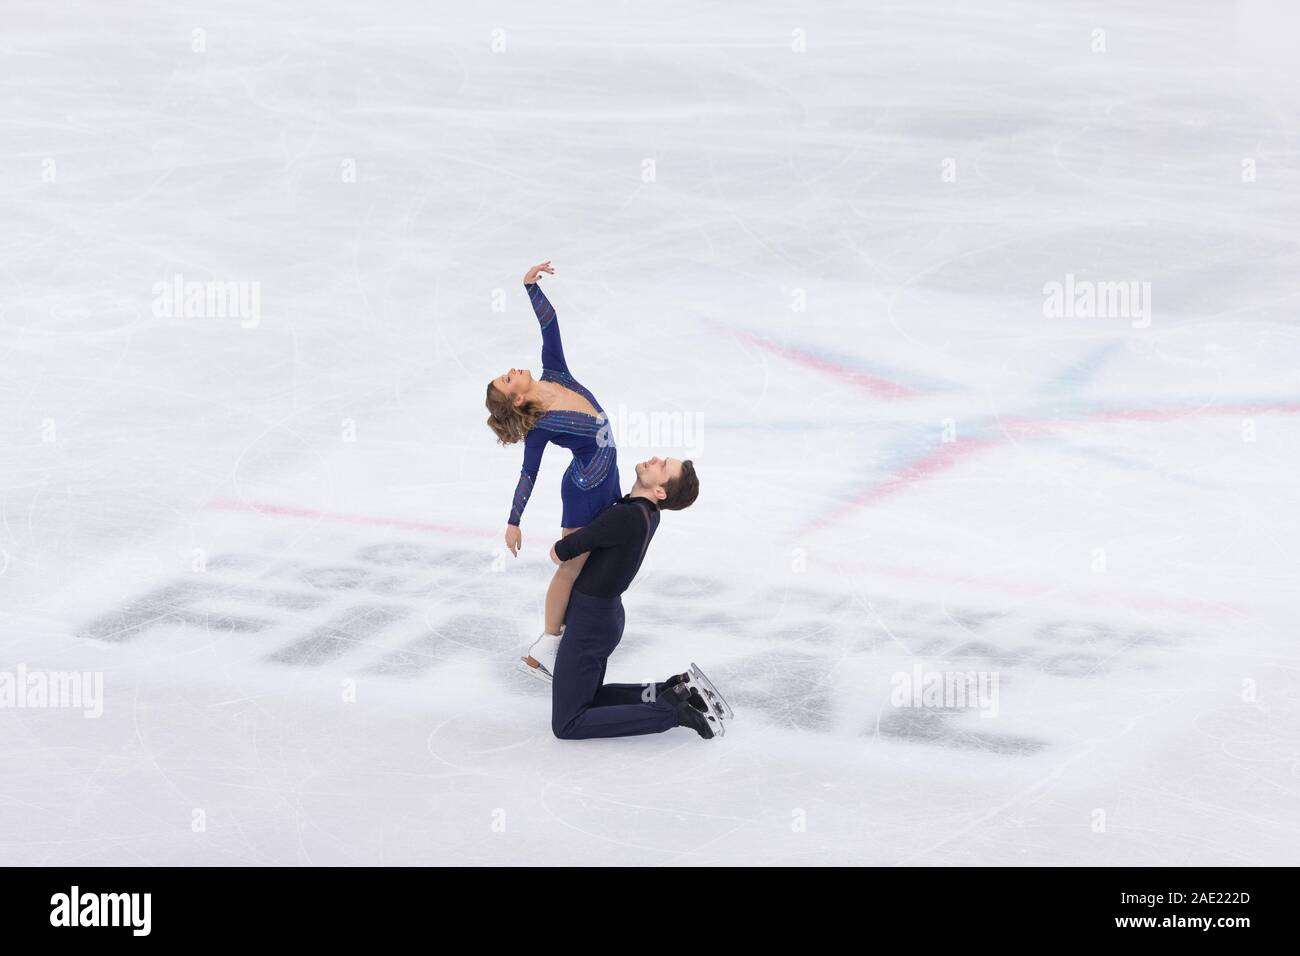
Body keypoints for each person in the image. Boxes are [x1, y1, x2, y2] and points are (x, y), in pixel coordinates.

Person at [485, 261, 622, 678]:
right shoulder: (540, 428)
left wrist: (530, 288)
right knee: (573, 565)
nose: (511, 371)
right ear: (518, 402)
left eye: (506, 374)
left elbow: (550, 324)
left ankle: (575, 630)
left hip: (608, 479)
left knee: (602, 561)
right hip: (583, 490)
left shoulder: (555, 371)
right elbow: (529, 475)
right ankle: (545, 648)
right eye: (507, 381)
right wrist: (513, 522)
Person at [545, 456, 727, 740]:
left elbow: (561, 551)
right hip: (602, 616)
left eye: (663, 466)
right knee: (588, 698)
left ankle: (673, 713)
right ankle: (673, 691)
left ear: (660, 492)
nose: (655, 459)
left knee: (568, 723)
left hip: (592, 621)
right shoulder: (644, 512)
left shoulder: (627, 516)